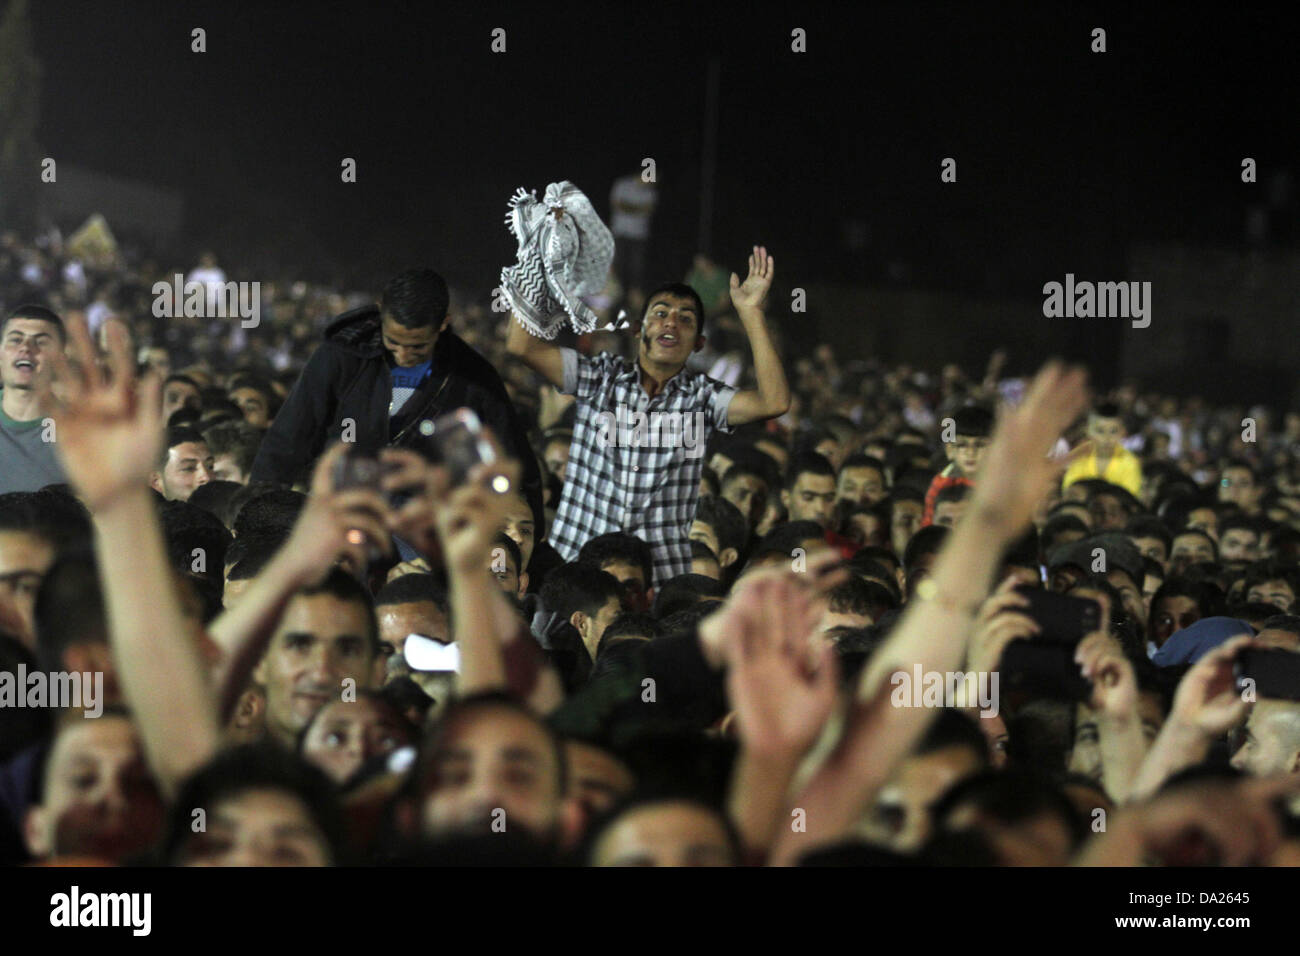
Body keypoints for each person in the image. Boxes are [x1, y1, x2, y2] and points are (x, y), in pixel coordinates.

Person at [506, 248, 790, 586]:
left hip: (657, 583)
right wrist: (536, 267)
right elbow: (521, 346)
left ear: (698, 343)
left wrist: (751, 313)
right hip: (574, 571)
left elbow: (774, 401)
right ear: (640, 330)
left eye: (686, 319)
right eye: (661, 313)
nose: (672, 322)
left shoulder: (704, 398)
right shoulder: (599, 378)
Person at [250, 268, 542, 528]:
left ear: (443, 324)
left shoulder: (473, 378)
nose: (403, 354)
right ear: (381, 313)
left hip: (424, 520)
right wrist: (263, 509)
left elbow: (512, 458)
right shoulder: (342, 356)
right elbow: (291, 434)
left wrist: (529, 528)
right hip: (338, 504)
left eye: (418, 347)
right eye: (393, 342)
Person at [0, 305, 67, 495]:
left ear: (60, 359)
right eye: (15, 339)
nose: (26, 348)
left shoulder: (79, 432)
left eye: (41, 342)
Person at [1062, 401, 1142, 497]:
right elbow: (1069, 492)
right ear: (1088, 431)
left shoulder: (1130, 463)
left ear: (1123, 433)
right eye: (1100, 431)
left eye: (1113, 431)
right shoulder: (1079, 456)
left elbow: (1128, 501)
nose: (1107, 438)